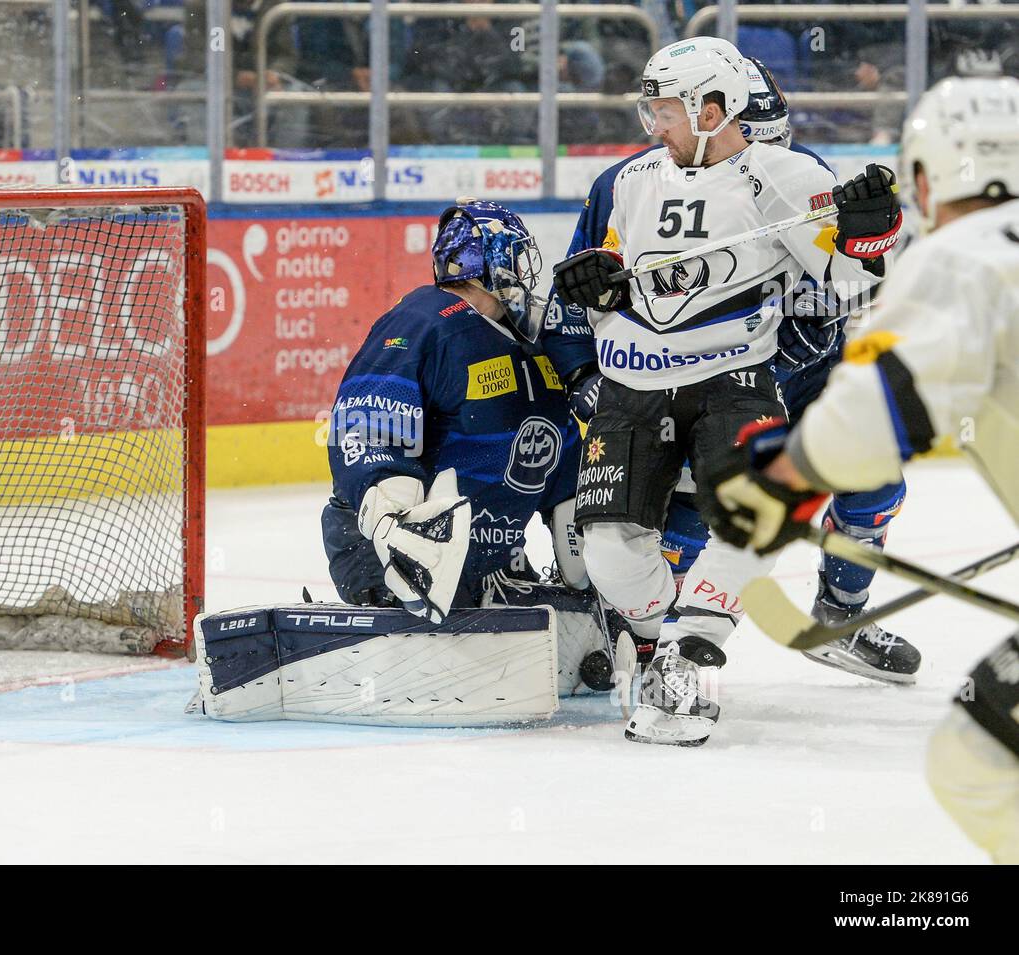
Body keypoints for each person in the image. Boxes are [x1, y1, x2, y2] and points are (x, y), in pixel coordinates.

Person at [702, 75, 1019, 863]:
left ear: (926, 174)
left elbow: (881, 406)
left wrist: (781, 480)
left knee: (975, 761)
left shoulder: (962, 259)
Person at [550, 37, 902, 745]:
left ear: (716, 109)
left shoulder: (786, 176)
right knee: (614, 553)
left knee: (771, 504)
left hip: (740, 379)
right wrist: (594, 285)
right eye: (652, 110)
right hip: (637, 389)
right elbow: (605, 282)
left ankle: (704, 645)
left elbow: (856, 283)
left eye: (667, 109)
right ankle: (657, 631)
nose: (655, 123)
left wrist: (872, 234)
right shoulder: (630, 181)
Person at [322, 199, 605, 695]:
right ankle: (397, 587)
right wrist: (399, 532)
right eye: (515, 259)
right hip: (381, 557)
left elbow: (555, 458)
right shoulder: (425, 320)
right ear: (492, 265)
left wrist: (589, 553)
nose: (523, 275)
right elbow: (368, 427)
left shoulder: (534, 345)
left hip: (487, 570)